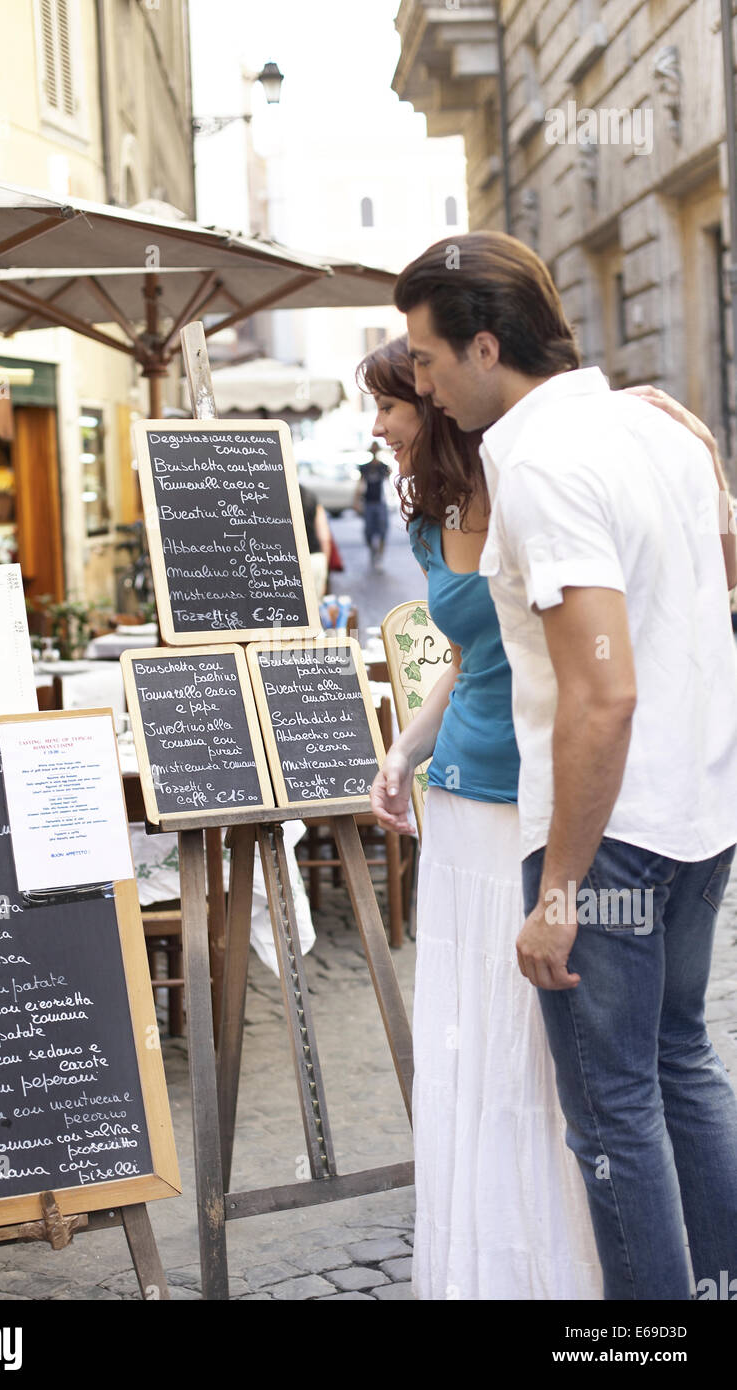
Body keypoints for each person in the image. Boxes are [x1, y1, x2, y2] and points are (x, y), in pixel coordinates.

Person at [392, 230, 737, 1301]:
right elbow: (714, 576)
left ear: (485, 346)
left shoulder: (537, 459)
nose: (424, 381)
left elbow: (602, 688)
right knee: (678, 1065)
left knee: (610, 1109)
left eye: (428, 358)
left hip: (617, 835)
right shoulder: (656, 427)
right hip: (698, 809)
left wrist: (559, 889)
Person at [363, 336, 601, 1301]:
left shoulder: (530, 492)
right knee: (463, 1034)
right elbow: (465, 655)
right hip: (458, 801)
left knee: (534, 1044)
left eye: (394, 401)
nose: (381, 421)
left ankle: (555, 1269)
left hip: (534, 804)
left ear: (438, 403)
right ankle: (476, 1260)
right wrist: (403, 751)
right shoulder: (432, 517)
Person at [355, 442, 391, 567]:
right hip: (369, 502)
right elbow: (360, 484)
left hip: (380, 502)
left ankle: (379, 556)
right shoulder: (365, 467)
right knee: (368, 531)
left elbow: (389, 484)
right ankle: (374, 552)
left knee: (382, 530)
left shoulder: (383, 467)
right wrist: (357, 500)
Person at [299, 482, 333, 598]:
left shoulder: (273, 496)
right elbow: (324, 537)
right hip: (314, 559)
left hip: (285, 563)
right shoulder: (309, 495)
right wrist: (325, 570)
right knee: (315, 610)